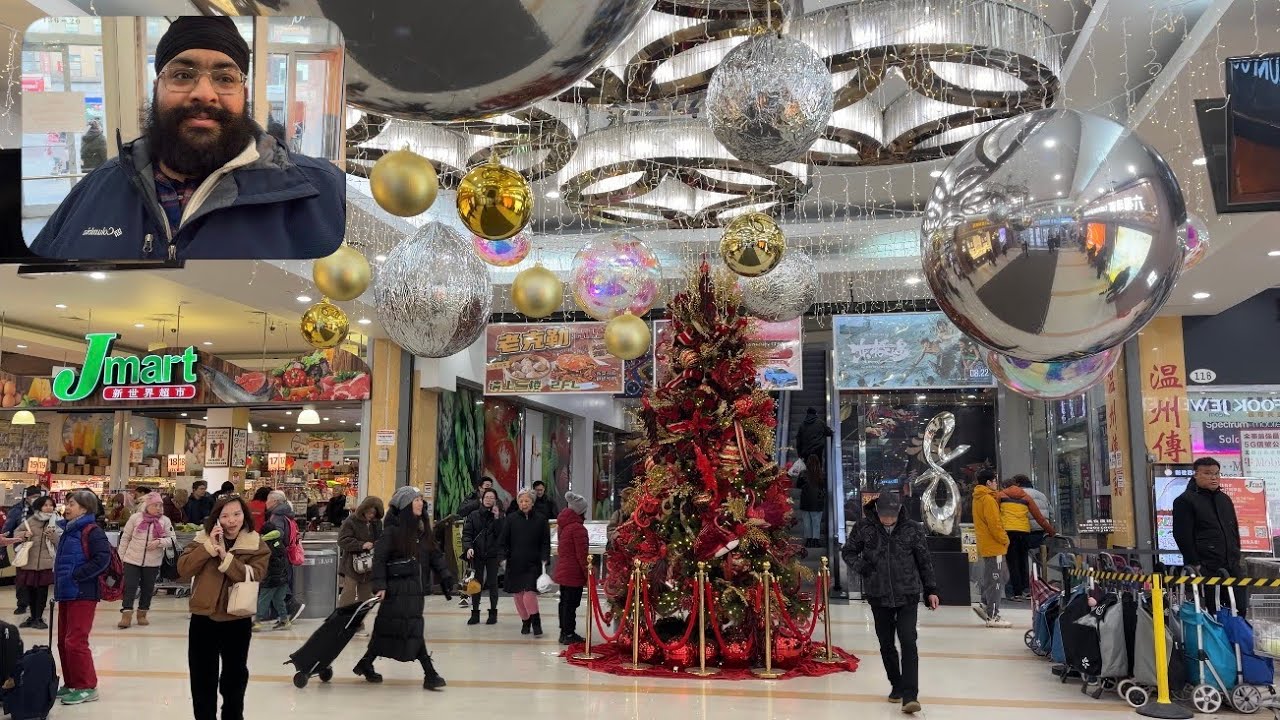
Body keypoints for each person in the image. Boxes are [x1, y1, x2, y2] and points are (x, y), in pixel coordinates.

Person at [29, 16, 346, 262]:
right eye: (182, 75)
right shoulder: (94, 189)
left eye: (225, 78)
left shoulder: (322, 192)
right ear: (157, 88)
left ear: (244, 93)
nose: (204, 94)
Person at [843, 491, 939, 715]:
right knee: (886, 644)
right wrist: (864, 568)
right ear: (877, 510)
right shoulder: (864, 527)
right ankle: (897, 685)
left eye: (892, 515)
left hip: (907, 593)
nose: (888, 519)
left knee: (908, 641)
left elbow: (924, 560)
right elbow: (848, 552)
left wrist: (931, 590)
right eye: (884, 515)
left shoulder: (912, 529)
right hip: (878, 594)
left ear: (899, 511)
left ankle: (910, 696)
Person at [177, 495, 270, 720]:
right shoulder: (203, 539)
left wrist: (226, 558)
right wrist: (209, 547)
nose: (232, 520)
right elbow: (184, 569)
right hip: (203, 617)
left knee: (234, 678)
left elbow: (256, 575)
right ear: (217, 518)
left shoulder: (255, 543)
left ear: (244, 515)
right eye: (225, 515)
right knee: (202, 678)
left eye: (237, 514)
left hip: (236, 619)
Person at [352, 486, 453, 690]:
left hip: (415, 589)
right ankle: (430, 674)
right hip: (397, 588)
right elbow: (379, 559)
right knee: (412, 628)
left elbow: (435, 554)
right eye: (416, 500)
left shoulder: (422, 530)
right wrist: (380, 585)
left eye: (421, 499)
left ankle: (365, 663)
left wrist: (445, 576)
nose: (421, 503)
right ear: (406, 505)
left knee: (389, 629)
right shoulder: (393, 531)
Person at [53, 489, 113, 706]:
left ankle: (87, 686)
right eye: (67, 503)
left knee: (76, 641)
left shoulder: (92, 531)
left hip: (83, 592)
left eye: (72, 504)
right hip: (66, 592)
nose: (67, 508)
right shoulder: (69, 530)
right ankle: (71, 683)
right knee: (63, 641)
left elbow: (102, 559)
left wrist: (77, 575)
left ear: (85, 509)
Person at [1173, 457, 1244, 612]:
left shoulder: (1224, 499)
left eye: (1216, 473)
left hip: (1232, 566)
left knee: (1239, 610)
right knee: (1211, 612)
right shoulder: (1185, 501)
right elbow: (1182, 535)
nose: (1213, 477)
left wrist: (1236, 553)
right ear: (1196, 474)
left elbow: (1233, 530)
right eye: (1207, 473)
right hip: (1205, 567)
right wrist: (1195, 563)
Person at [116, 492, 176, 628]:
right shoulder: (135, 518)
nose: (159, 508)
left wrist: (159, 542)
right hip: (132, 559)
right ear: (147, 506)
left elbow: (172, 539)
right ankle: (126, 614)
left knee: (147, 588)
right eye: (155, 505)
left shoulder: (165, 521)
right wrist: (121, 557)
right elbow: (125, 538)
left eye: (160, 505)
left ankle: (142, 613)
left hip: (152, 562)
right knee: (130, 587)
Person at [500, 490, 551, 637]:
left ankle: (536, 622)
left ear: (532, 502)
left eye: (527, 501)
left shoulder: (541, 519)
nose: (524, 504)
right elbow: (503, 541)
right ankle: (525, 621)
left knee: (529, 594)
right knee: (518, 596)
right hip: (514, 563)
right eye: (521, 501)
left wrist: (545, 557)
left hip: (533, 563)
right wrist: (502, 558)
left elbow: (545, 542)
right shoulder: (511, 519)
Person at [999, 477, 1056, 601]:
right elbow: (1040, 518)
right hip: (1024, 531)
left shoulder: (1000, 496)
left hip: (1008, 532)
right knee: (1023, 561)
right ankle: (1026, 590)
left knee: (1012, 562)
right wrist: (1051, 531)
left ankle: (1016, 592)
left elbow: (995, 514)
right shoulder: (1025, 497)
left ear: (1004, 486)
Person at [11, 495, 61, 630]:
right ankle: (32, 617)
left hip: (45, 564)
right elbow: (17, 532)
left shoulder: (57, 521)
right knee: (30, 591)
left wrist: (53, 537)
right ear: (39, 507)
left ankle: (38, 617)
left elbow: (62, 542)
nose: (49, 507)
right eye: (45, 505)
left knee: (42, 592)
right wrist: (24, 535)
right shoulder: (31, 520)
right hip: (29, 563)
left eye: (51, 505)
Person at [972, 469, 1010, 627]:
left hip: (988, 545)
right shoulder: (987, 499)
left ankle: (985, 603)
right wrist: (1004, 539)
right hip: (994, 546)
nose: (996, 483)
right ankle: (992, 614)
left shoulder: (979, 498)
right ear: (988, 482)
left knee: (1001, 576)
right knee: (996, 580)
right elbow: (994, 524)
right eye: (995, 481)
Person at [462, 487, 503, 625]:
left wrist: (497, 518)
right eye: (487, 497)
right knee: (476, 584)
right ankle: (475, 613)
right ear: (482, 499)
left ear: (495, 500)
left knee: (493, 583)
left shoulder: (499, 516)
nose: (489, 500)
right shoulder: (473, 515)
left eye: (492, 498)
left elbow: (501, 535)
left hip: (492, 555)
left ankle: (493, 613)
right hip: (477, 554)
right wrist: (468, 547)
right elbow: (467, 534)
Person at [553, 492, 589, 645]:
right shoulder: (578, 528)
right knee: (571, 604)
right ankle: (569, 633)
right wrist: (587, 573)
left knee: (564, 603)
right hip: (573, 572)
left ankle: (564, 632)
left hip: (564, 570)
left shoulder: (563, 525)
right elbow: (582, 555)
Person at [5, 485, 45, 616]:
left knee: (38, 578)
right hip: (22, 549)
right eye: (34, 497)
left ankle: (37, 605)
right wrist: (2, 549)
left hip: (40, 550)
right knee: (22, 578)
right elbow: (7, 530)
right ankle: (22, 604)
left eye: (38, 497)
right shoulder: (17, 511)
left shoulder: (44, 509)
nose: (36, 499)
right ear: (27, 497)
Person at [262, 490, 302, 621]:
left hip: (278, 555)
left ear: (274, 501)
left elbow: (279, 533)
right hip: (285, 554)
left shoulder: (277, 516)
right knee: (280, 582)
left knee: (277, 583)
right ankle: (275, 613)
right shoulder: (286, 514)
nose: (266, 503)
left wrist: (263, 539)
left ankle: (292, 606)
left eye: (267, 500)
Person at [338, 496, 383, 607]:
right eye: (369, 512)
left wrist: (377, 544)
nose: (371, 515)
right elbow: (342, 540)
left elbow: (380, 538)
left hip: (369, 566)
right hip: (351, 565)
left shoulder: (377, 523)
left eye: (374, 513)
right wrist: (361, 545)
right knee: (348, 595)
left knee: (366, 596)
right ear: (363, 509)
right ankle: (343, 617)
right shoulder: (351, 520)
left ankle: (361, 618)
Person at [253, 523, 289, 632]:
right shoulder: (279, 541)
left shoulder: (265, 544)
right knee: (279, 600)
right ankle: (284, 620)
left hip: (270, 578)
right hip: (283, 577)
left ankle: (256, 622)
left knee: (263, 600)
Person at [796, 460, 827, 548]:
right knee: (816, 523)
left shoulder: (803, 474)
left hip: (805, 502)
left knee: (807, 523)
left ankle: (808, 541)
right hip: (817, 503)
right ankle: (815, 541)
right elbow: (824, 486)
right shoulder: (821, 475)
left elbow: (798, 485)